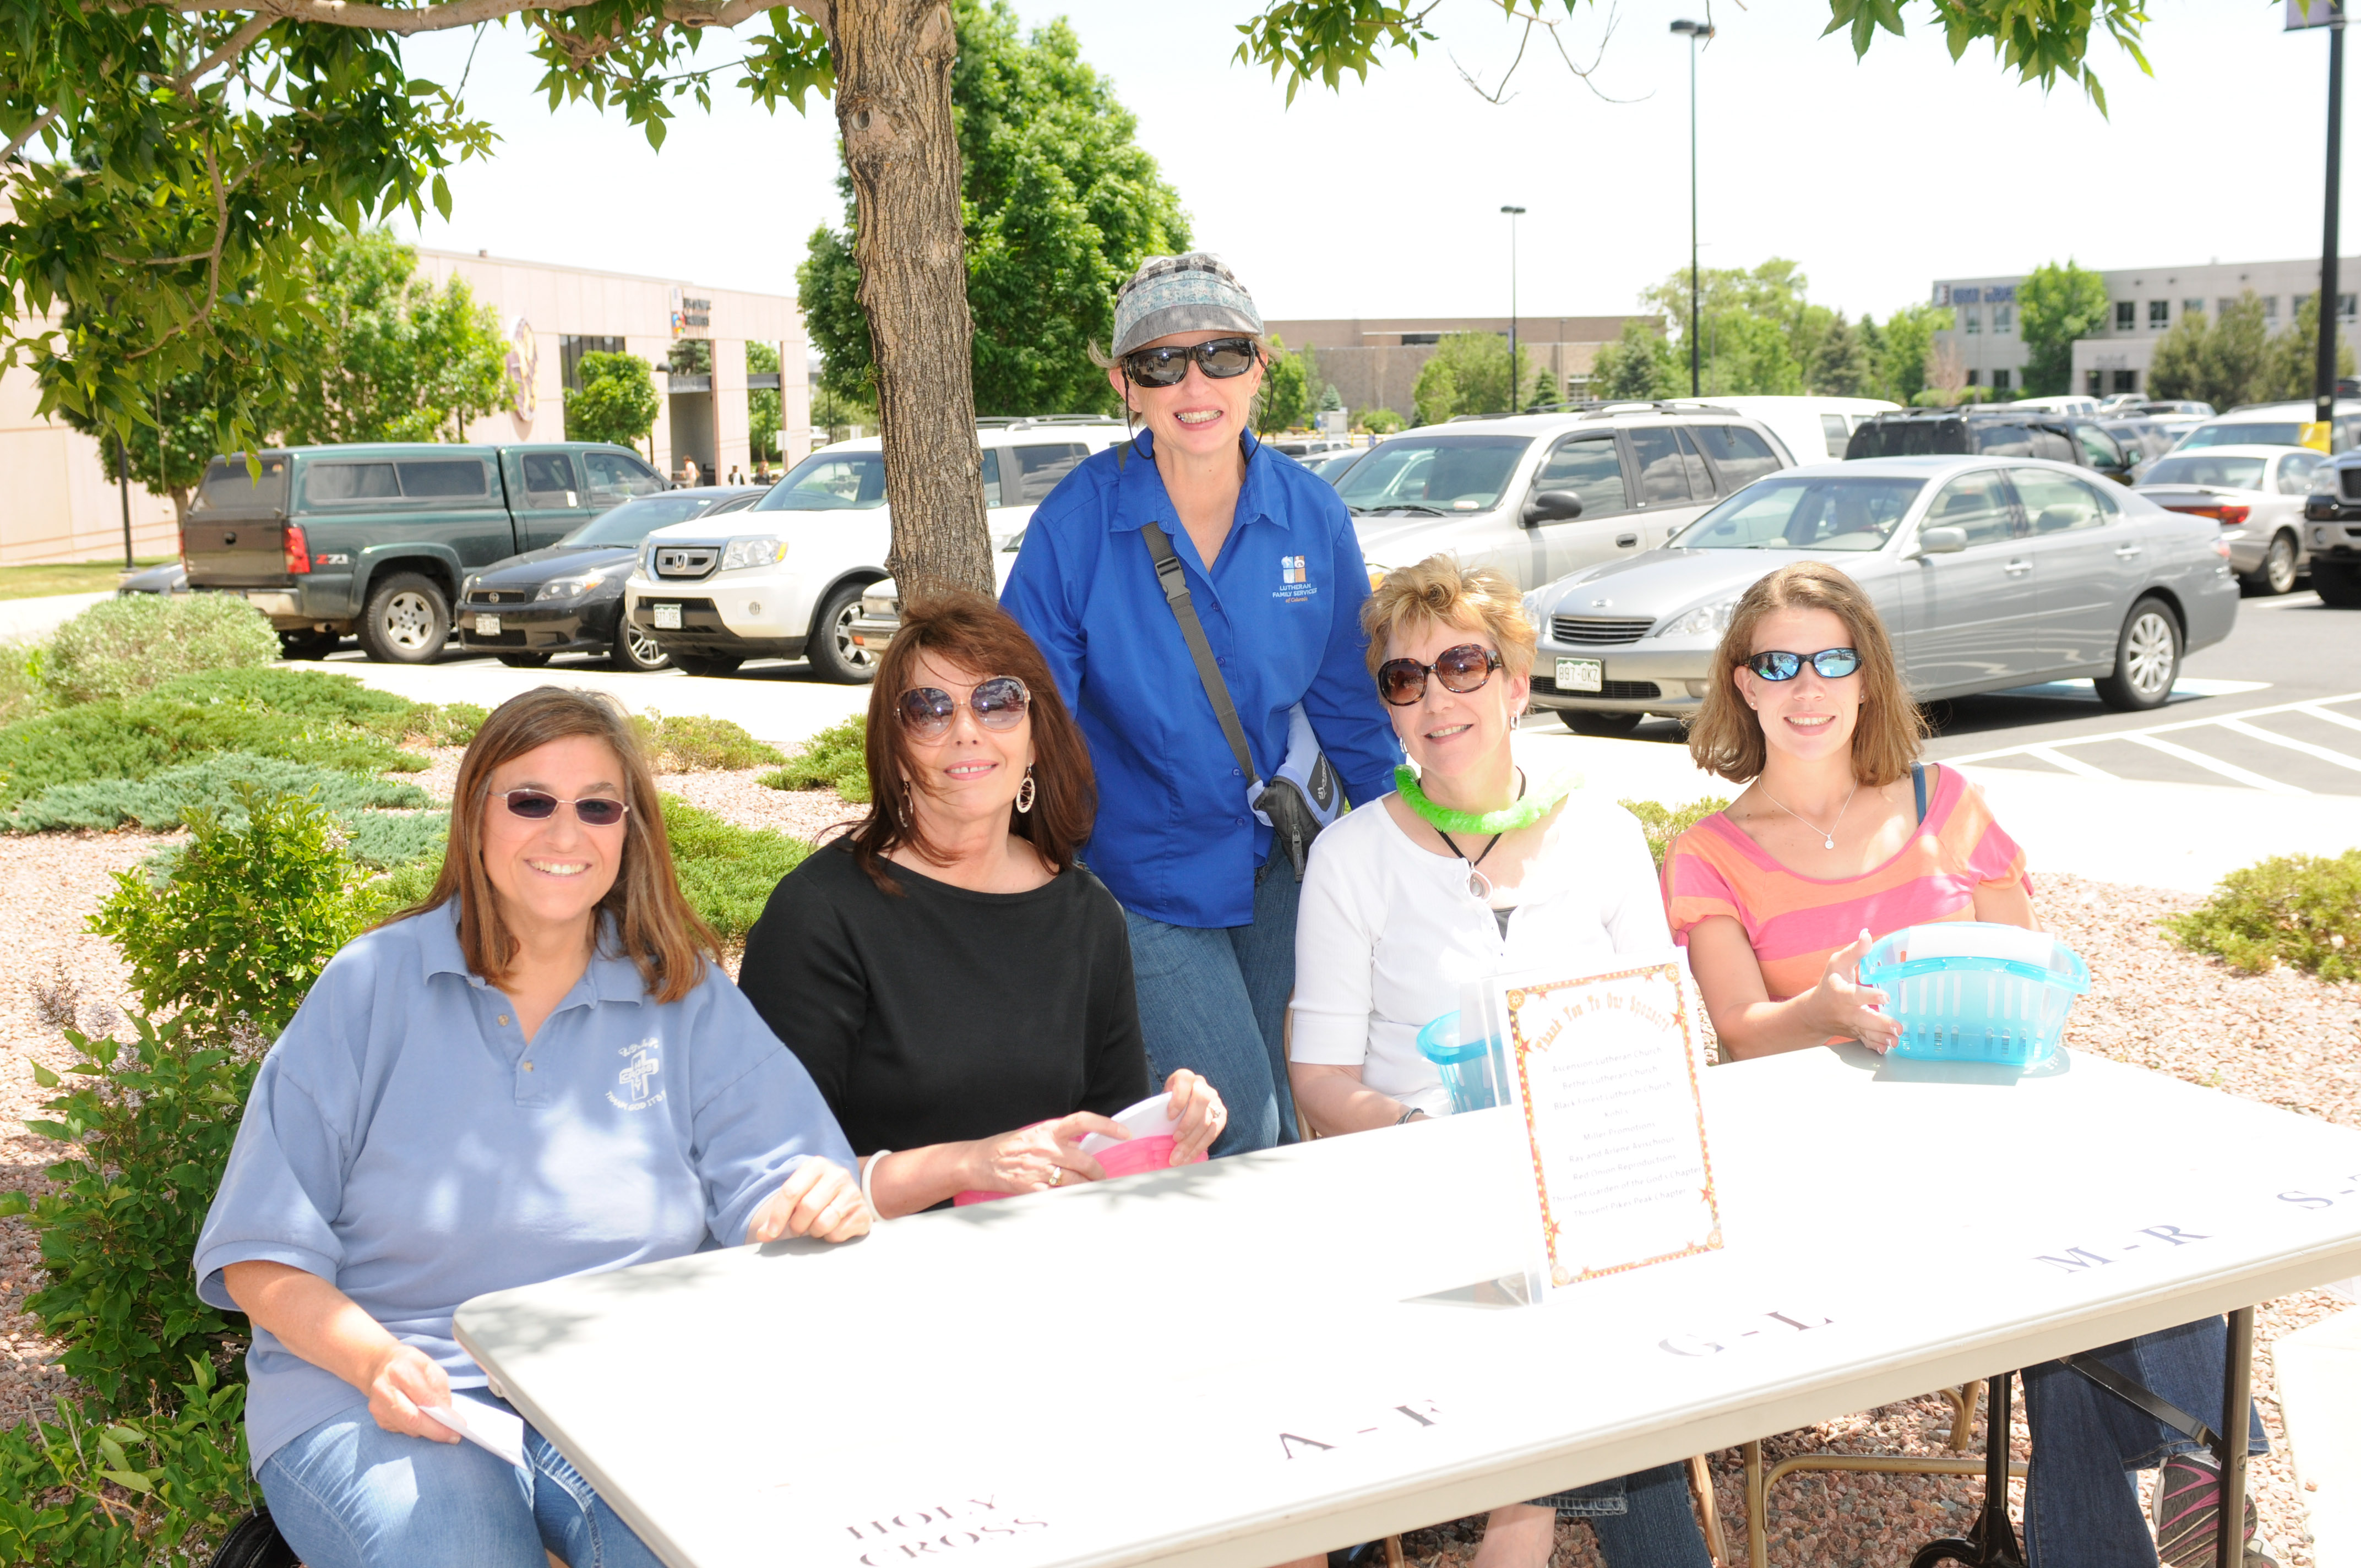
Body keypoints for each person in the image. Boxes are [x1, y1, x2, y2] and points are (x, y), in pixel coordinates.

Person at [1664, 560, 2267, 1568]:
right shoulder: (1708, 853)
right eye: (1777, 662)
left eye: (1830, 659)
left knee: (2077, 1235)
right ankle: (2209, 1462)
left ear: (1868, 677)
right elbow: (1737, 1029)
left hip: (1992, 1129)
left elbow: (2039, 980)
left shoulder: (1947, 801)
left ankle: (2185, 1490)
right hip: (1834, 1164)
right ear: (1741, 683)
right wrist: (1818, 1010)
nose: (1805, 686)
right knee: (2070, 1249)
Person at [193, 688, 866, 1568]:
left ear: (629, 833)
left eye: (597, 806)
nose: (565, 833)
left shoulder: (684, 993)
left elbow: (776, 1188)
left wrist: (812, 1202)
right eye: (531, 801)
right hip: (383, 1390)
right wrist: (376, 1364)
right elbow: (259, 1256)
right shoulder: (371, 988)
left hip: (623, 1391)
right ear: (477, 816)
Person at [1284, 557, 1712, 1568]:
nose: (1434, 696)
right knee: (1572, 1324)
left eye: (1462, 664)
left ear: (1515, 684)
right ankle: (1527, 1518)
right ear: (1386, 707)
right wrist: (1426, 1137)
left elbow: (1665, 1038)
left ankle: (1517, 1517)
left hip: (1592, 1187)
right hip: (1423, 1195)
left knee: (1585, 1287)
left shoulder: (1603, 839)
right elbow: (1317, 1078)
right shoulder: (1351, 858)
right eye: (1404, 678)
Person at [1002, 252, 1401, 1157]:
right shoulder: (1077, 520)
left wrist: (1415, 852)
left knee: (1295, 1109)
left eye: (1221, 355)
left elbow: (1351, 712)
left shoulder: (1312, 515)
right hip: (1136, 874)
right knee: (1243, 1126)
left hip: (1276, 864)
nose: (1194, 382)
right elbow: (1028, 721)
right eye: (1160, 362)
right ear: (1124, 383)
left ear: (1260, 365)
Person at [738, 592, 1226, 1214]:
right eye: (929, 709)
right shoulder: (819, 915)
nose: (966, 729)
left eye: (997, 702)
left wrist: (1169, 1124)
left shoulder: (1086, 912)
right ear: (896, 750)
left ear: (1036, 737)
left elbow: (1102, 1139)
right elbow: (771, 1175)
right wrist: (968, 1165)